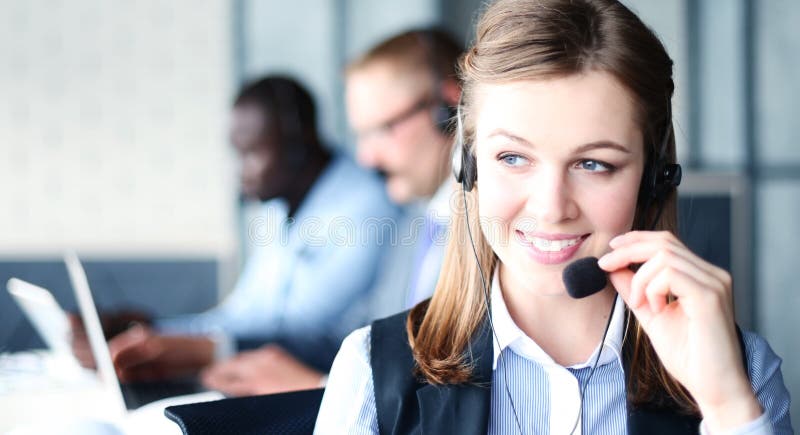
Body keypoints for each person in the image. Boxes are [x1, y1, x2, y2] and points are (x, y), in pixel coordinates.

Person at [315, 0, 793, 433]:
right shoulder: (370, 372)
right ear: (468, 166)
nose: (550, 207)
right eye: (513, 158)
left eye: (594, 164)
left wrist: (728, 407)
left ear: (655, 178)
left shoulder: (743, 372)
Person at [71, 75, 399, 395]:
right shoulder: (277, 207)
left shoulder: (366, 208)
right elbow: (241, 315)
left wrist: (198, 347)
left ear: (299, 143)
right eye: (238, 153)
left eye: (252, 153)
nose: (240, 172)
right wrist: (148, 331)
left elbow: (304, 334)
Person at [345, 28, 463, 315]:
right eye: (361, 135)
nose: (365, 158)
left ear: (448, 106)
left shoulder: (502, 223)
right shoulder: (416, 218)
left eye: (382, 129)